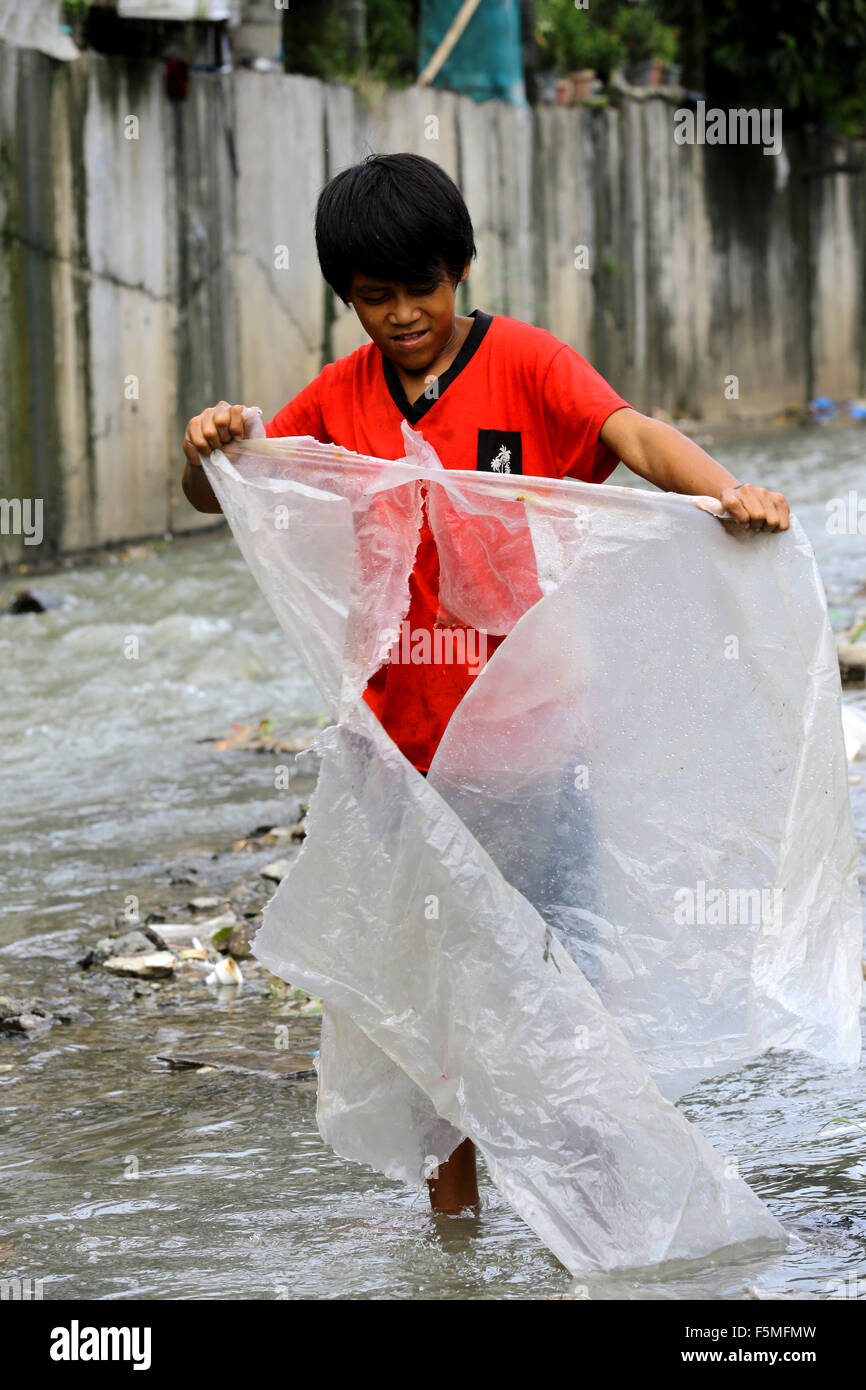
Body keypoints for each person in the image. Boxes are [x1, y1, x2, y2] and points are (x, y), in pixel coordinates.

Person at [182, 152, 790, 1215]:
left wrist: (726, 492)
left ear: (459, 269)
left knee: (562, 996)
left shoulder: (527, 365)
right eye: (375, 297)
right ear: (347, 299)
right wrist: (209, 447)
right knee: (437, 1012)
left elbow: (631, 435)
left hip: (538, 751)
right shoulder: (337, 398)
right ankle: (452, 1244)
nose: (404, 314)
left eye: (422, 287)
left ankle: (598, 1215)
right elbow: (233, 489)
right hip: (402, 768)